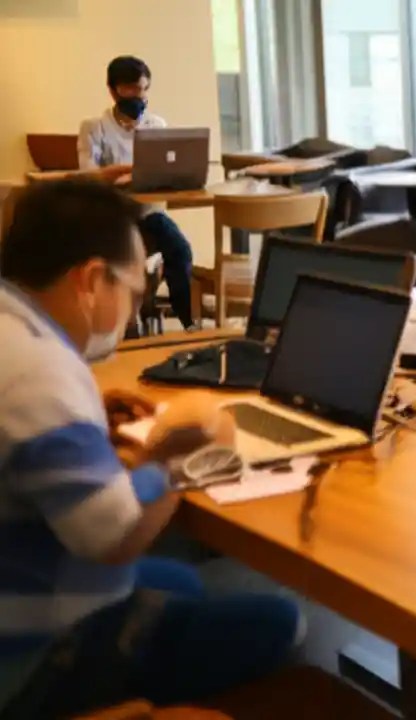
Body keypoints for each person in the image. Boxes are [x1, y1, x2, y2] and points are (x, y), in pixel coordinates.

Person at [0, 180, 301, 719]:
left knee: (181, 579)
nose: (135, 304)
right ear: (92, 280)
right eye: (134, 291)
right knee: (281, 621)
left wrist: (88, 410)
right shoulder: (38, 375)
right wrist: (186, 452)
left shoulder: (15, 334)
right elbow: (114, 538)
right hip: (30, 665)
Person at [78, 55, 197, 331]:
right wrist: (129, 169)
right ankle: (128, 325)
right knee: (124, 260)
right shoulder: (94, 127)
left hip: (147, 211)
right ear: (113, 90)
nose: (139, 96)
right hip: (112, 213)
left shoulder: (156, 125)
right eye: (131, 89)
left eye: (144, 89)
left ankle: (186, 321)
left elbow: (167, 172)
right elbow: (88, 175)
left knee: (179, 250)